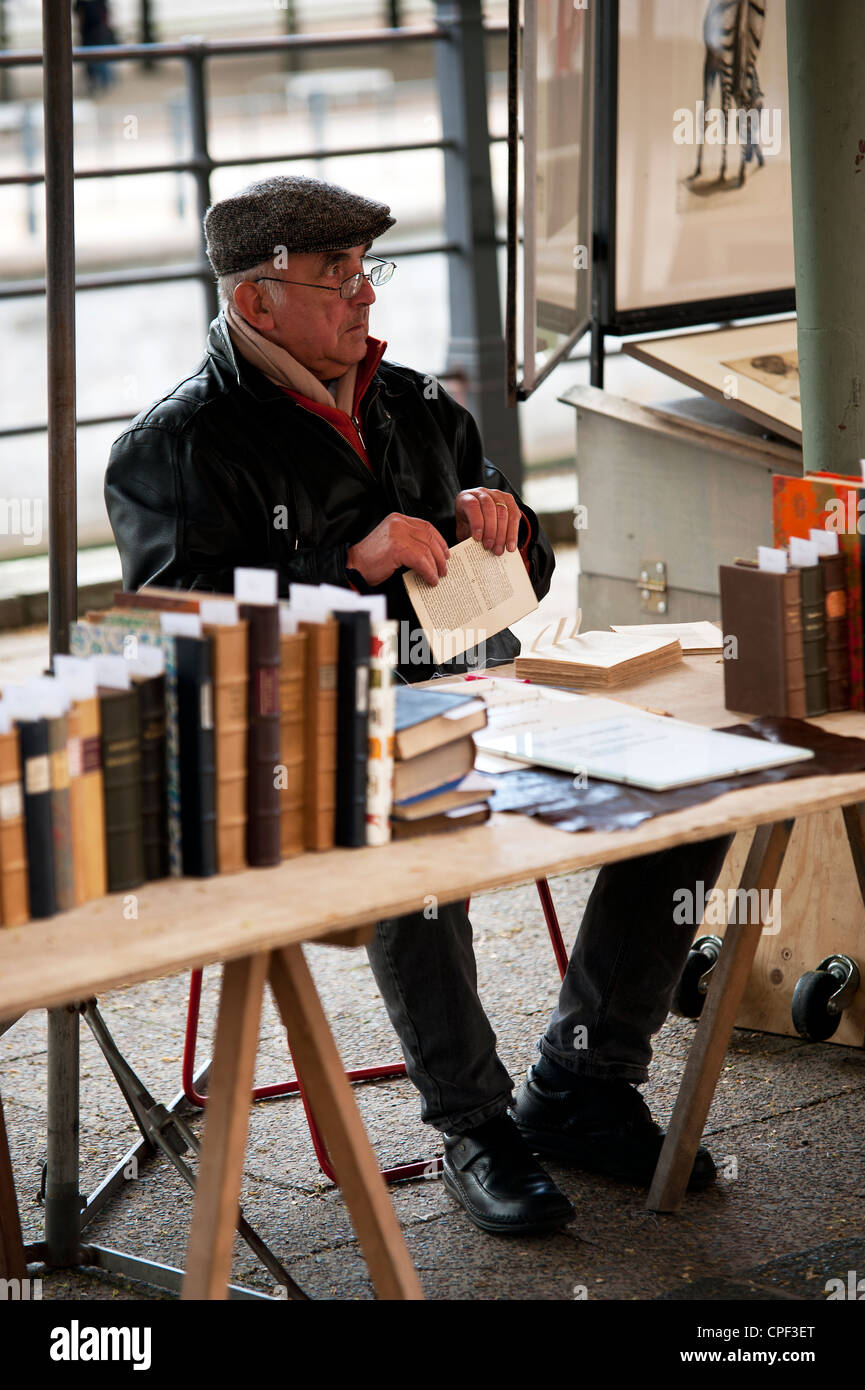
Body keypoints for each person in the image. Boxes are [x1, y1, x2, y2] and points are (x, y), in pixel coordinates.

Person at [105, 176, 733, 1235]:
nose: (363, 297)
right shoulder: (178, 443)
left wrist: (505, 520)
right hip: (300, 741)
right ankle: (476, 1123)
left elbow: (515, 566)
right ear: (256, 301)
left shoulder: (420, 405)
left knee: (686, 790)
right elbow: (185, 629)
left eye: (366, 270)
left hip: (477, 697)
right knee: (412, 844)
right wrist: (339, 560)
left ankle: (579, 1081)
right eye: (335, 276)